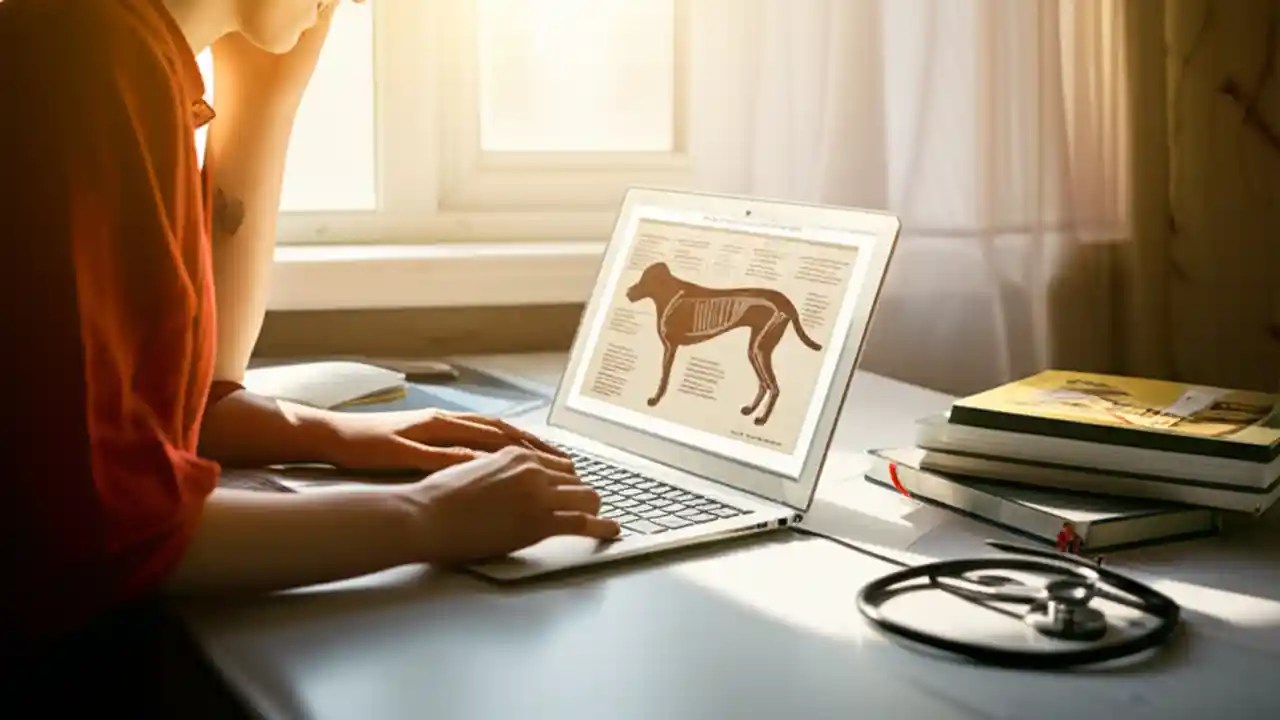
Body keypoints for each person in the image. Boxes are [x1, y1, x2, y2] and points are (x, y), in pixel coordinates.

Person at [0, 0, 619, 661]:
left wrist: (336, 435)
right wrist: (425, 515)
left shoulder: (128, 53)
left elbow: (175, 408)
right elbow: (108, 522)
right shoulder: (89, 62)